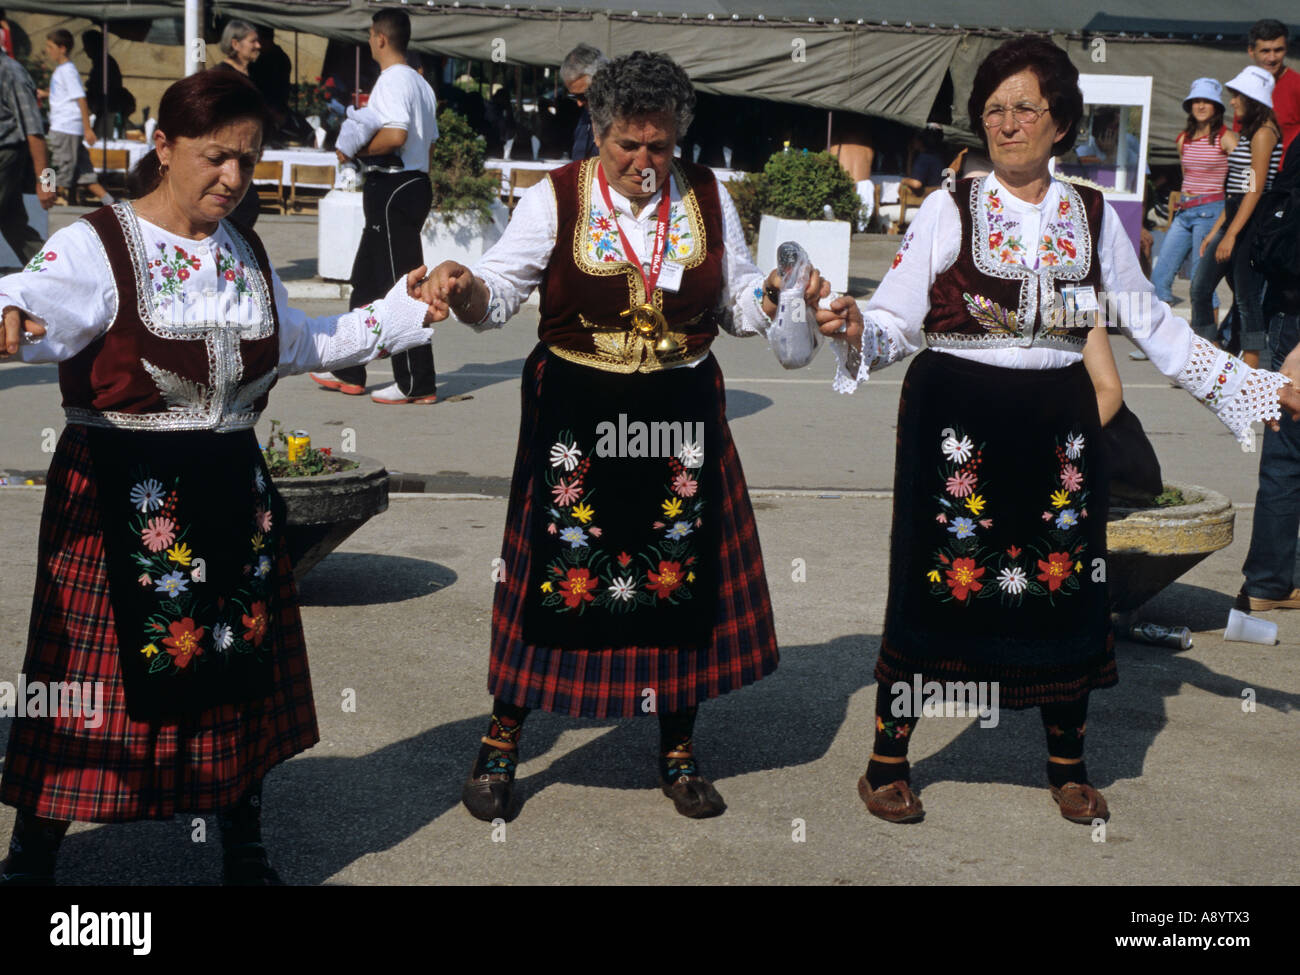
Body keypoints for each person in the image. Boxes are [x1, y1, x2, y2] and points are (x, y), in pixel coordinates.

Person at [813, 36, 1300, 826]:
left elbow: (1154, 326)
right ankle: (887, 760)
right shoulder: (951, 205)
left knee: (1063, 585)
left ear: (1060, 122)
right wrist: (852, 324)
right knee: (938, 583)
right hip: (956, 420)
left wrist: (1257, 385)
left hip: (1058, 426)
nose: (1006, 123)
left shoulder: (1093, 213)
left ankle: (1067, 762)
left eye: (1024, 108)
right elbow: (898, 319)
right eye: (994, 109)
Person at [0, 70, 439, 885]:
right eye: (215, 157)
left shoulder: (244, 250)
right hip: (123, 500)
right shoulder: (97, 244)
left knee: (235, 667)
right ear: (161, 147)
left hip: (234, 497)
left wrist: (409, 305)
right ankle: (35, 849)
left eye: (248, 160)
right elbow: (32, 300)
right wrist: (12, 317)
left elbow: (308, 340)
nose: (233, 179)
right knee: (85, 681)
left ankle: (242, 837)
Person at [423, 51, 828, 822]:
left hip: (681, 405)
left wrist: (773, 295)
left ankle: (677, 749)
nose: (645, 162)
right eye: (627, 146)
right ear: (598, 131)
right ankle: (502, 742)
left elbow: (737, 302)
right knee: (554, 572)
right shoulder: (555, 198)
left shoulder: (708, 195)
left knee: (678, 574)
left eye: (660, 146)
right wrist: (466, 285)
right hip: (578, 404)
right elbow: (503, 289)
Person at [313, 8, 439, 405]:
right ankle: (348, 369)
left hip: (394, 186)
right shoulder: (422, 84)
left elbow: (396, 134)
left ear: (380, 38)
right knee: (366, 280)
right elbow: (428, 143)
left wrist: (357, 150)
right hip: (410, 184)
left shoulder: (392, 80)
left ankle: (416, 383)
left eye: (370, 36)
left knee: (401, 286)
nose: (369, 42)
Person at [1238, 139, 1300, 611]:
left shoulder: (1295, 145)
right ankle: (1271, 583)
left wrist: (1255, 341)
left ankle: (1267, 584)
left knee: (1284, 459)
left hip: (1284, 313)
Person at [1190, 66, 1283, 368]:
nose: (1232, 102)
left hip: (1250, 223)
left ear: (1252, 98)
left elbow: (1254, 190)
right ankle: (1211, 353)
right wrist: (1217, 229)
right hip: (1233, 216)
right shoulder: (1250, 132)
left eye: (1236, 96)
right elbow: (1238, 187)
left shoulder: (1265, 133)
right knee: (1200, 288)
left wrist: (1230, 234)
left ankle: (1253, 367)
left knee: (1245, 298)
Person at [1150, 78, 1235, 305]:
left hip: (1211, 211)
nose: (1200, 106)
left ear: (1216, 106)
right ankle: (1164, 334)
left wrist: (1232, 208)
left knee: (1201, 281)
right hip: (1184, 210)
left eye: (1206, 101)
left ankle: (1209, 337)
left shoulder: (1226, 139)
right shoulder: (1183, 139)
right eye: (1196, 101)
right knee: (1159, 278)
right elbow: (1186, 175)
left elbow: (1244, 177)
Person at [41, 30, 114, 207]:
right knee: (84, 174)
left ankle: (47, 201)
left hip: (64, 128)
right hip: (67, 128)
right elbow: (65, 95)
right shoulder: (63, 71)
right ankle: (112, 203)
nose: (48, 50)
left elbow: (80, 98)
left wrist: (87, 128)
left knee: (55, 167)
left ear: (62, 48)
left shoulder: (68, 71)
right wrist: (45, 94)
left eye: (51, 47)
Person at [0, 43, 52, 267]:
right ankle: (52, 272)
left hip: (6, 154)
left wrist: (47, 182)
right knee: (13, 224)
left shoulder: (11, 72)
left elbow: (34, 130)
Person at [209, 19, 264, 229]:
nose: (258, 45)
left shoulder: (250, 75)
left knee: (246, 205)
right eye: (253, 41)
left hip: (244, 153)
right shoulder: (221, 76)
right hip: (229, 152)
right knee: (245, 204)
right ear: (235, 44)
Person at [1245, 19, 1299, 156]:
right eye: (1265, 51)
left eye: (1278, 50)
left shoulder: (1297, 85)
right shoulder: (1245, 88)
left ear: (1286, 49)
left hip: (1290, 173)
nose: (1272, 58)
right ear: (1251, 52)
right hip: (1252, 171)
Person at [81, 29, 132, 140]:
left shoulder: (104, 63)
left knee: (104, 143)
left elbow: (104, 87)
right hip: (104, 111)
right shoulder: (100, 62)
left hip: (109, 110)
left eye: (87, 45)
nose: (85, 49)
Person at [560, 44, 606, 161]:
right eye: (574, 97)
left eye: (583, 96)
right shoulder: (586, 115)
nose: (579, 103)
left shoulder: (622, 120)